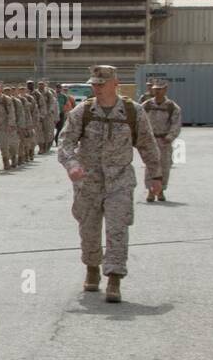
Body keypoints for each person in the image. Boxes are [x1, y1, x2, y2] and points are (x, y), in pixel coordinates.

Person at [58, 65, 162, 303]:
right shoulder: (82, 112)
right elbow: (65, 142)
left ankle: (114, 277)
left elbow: (147, 145)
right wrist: (72, 164)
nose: (97, 88)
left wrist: (155, 177)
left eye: (102, 84)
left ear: (116, 83)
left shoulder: (132, 112)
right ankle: (92, 267)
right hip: (88, 183)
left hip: (120, 181)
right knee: (89, 230)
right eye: (94, 84)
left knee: (118, 228)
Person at [142, 79, 182, 202]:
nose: (157, 91)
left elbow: (176, 124)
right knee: (150, 166)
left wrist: (170, 137)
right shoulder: (147, 105)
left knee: (164, 166)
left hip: (164, 141)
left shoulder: (172, 107)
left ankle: (161, 191)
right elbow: (139, 121)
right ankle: (150, 191)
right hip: (150, 140)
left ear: (165, 90)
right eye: (155, 89)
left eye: (160, 89)